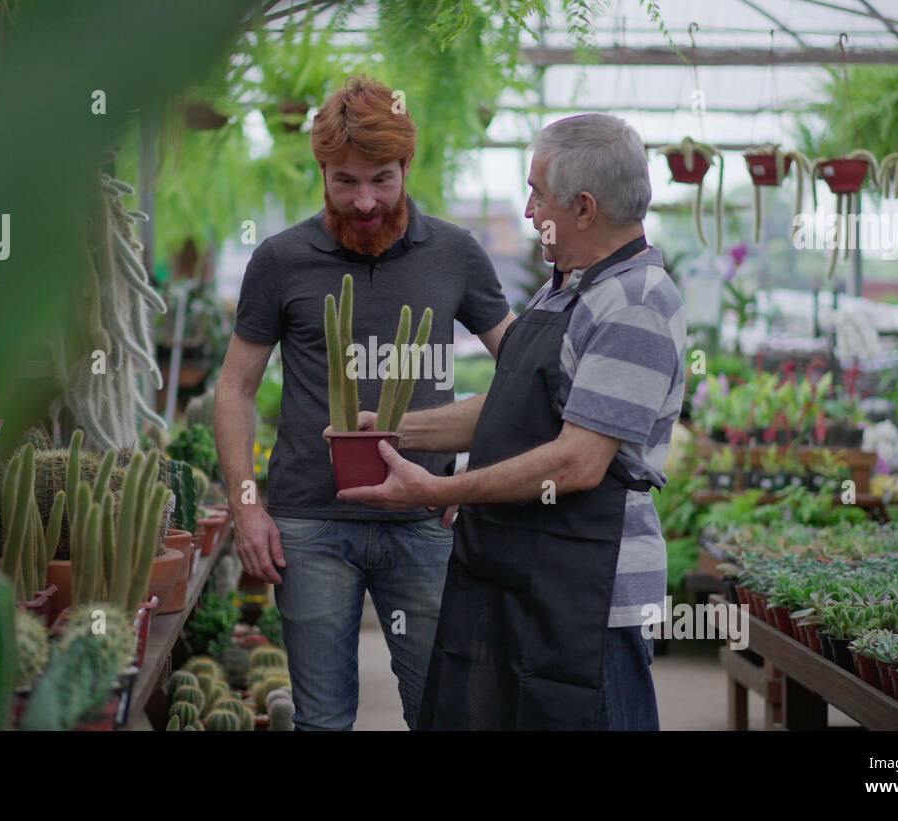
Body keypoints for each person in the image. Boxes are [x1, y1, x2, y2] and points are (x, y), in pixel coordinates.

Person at [338, 113, 685, 730]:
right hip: (530, 575)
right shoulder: (566, 289)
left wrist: (443, 489)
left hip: (588, 594)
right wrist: (394, 432)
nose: (528, 211)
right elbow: (509, 406)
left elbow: (578, 460)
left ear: (583, 207)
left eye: (537, 193)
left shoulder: (633, 304)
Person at [213, 75, 513, 730]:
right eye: (344, 180)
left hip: (424, 520)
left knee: (443, 711)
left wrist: (480, 473)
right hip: (309, 526)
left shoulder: (456, 254)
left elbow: (522, 371)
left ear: (406, 164)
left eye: (381, 178)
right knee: (322, 720)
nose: (366, 200)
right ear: (321, 168)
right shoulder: (280, 259)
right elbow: (234, 388)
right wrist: (246, 508)